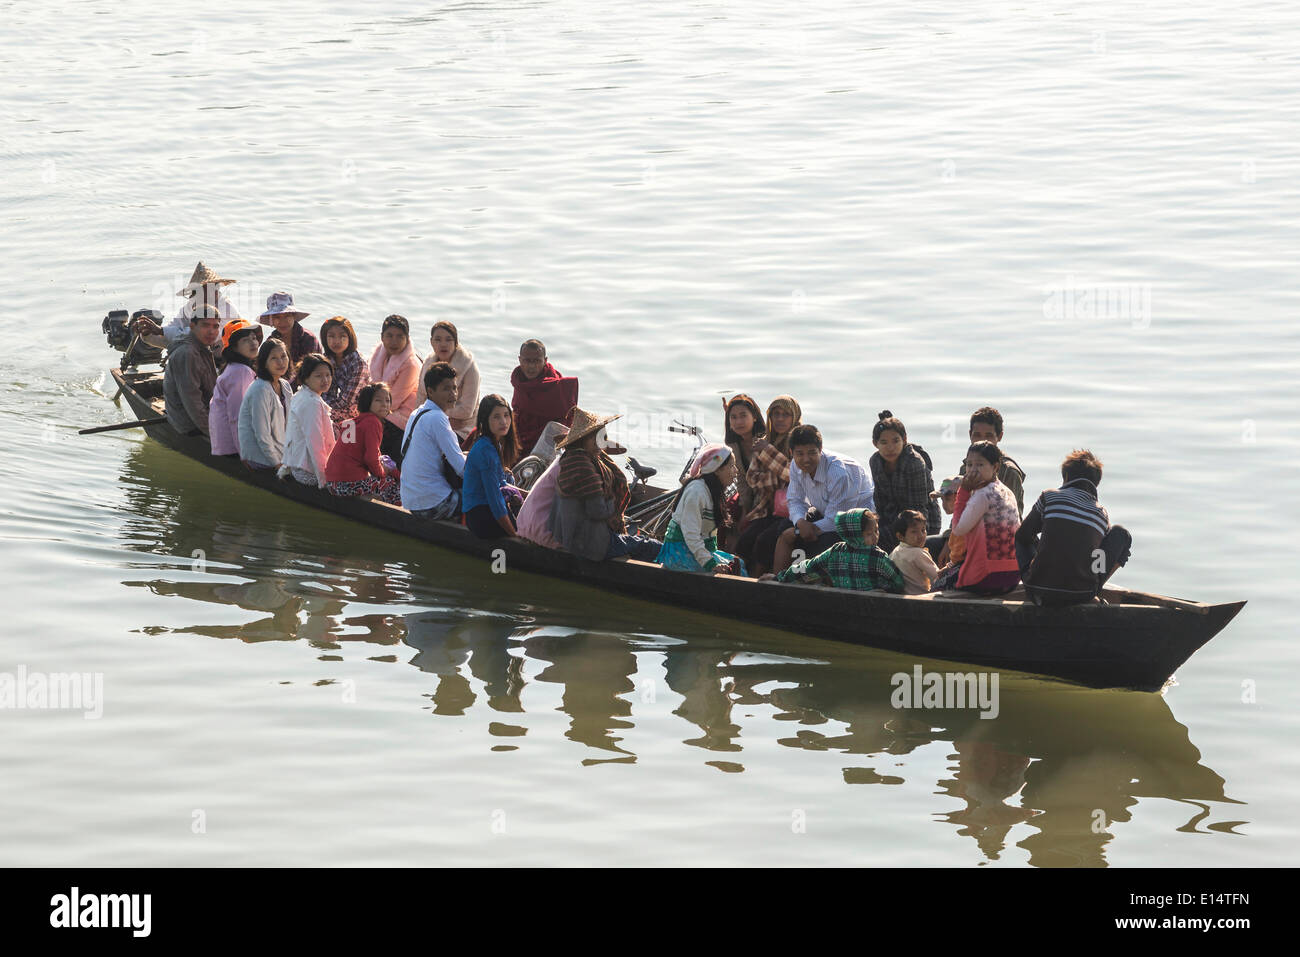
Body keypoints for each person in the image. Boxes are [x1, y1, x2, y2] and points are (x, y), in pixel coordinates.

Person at [1015, 449, 1132, 606]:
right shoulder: (1101, 514)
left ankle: (1043, 578)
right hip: (1082, 594)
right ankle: (1095, 586)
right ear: (1096, 483)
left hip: (1036, 587)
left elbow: (1023, 536)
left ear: (1066, 477)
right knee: (1121, 534)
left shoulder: (1049, 496)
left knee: (1022, 536)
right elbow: (1097, 553)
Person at [550, 408, 661, 561]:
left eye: (602, 438)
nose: (600, 445)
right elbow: (597, 512)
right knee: (652, 547)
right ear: (582, 440)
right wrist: (611, 503)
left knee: (639, 543)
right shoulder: (583, 466)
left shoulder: (570, 459)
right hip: (590, 544)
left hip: (573, 537)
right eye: (594, 439)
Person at [772, 425, 875, 575]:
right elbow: (795, 500)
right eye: (800, 453)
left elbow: (836, 521)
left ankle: (810, 583)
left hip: (855, 519)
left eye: (812, 453)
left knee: (823, 543)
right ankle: (776, 582)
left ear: (821, 450)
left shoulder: (837, 472)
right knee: (783, 529)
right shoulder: (795, 465)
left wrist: (799, 531)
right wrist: (800, 523)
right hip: (826, 511)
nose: (806, 459)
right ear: (791, 453)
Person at [734, 395, 802, 576]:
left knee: (764, 542)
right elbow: (753, 479)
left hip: (792, 510)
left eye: (785, 414)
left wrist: (768, 453)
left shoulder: (800, 441)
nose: (779, 419)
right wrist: (779, 478)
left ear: (794, 416)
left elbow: (794, 474)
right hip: (766, 508)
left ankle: (758, 580)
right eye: (775, 414)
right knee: (745, 540)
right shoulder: (764, 441)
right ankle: (737, 577)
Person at [655, 444, 746, 575]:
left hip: (693, 549)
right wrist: (711, 564)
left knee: (739, 565)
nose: (736, 470)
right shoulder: (697, 492)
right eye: (732, 466)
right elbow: (691, 535)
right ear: (717, 469)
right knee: (735, 572)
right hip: (679, 553)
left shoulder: (711, 491)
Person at [767, 508, 904, 593]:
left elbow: (805, 568)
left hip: (843, 602)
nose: (875, 537)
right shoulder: (878, 556)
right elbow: (897, 583)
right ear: (853, 534)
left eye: (876, 531)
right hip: (868, 605)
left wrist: (778, 577)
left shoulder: (836, 551)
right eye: (869, 534)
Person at [947, 441, 1021, 596]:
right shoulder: (1007, 492)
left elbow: (958, 529)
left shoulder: (982, 495)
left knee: (938, 584)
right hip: (1012, 576)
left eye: (980, 465)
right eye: (969, 465)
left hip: (984, 577)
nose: (973, 470)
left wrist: (964, 491)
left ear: (995, 467)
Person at [400, 362, 466, 520]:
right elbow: (462, 469)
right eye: (446, 389)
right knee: (486, 498)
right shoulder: (438, 418)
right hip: (433, 504)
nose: (453, 394)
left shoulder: (417, 413)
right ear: (430, 391)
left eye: (454, 388)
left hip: (410, 500)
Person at [869, 411, 942, 551]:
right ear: (875, 443)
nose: (890, 448)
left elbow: (918, 509)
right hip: (892, 518)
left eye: (896, 441)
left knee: (880, 540)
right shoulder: (875, 462)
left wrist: (888, 533)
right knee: (866, 536)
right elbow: (880, 503)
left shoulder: (914, 462)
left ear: (904, 439)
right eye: (884, 442)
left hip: (921, 523)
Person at [324, 382, 402, 505]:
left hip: (332, 483)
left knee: (383, 470)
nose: (384, 405)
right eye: (378, 400)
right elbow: (371, 459)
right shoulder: (373, 422)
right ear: (367, 402)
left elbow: (371, 454)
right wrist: (382, 473)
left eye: (387, 401)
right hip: (347, 485)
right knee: (388, 482)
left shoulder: (352, 421)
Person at [134, 261, 240, 348]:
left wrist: (160, 330)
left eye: (215, 288)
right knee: (150, 337)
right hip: (195, 347)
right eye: (206, 289)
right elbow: (175, 326)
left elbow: (206, 336)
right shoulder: (190, 307)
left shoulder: (226, 309)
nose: (214, 292)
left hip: (224, 353)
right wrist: (149, 331)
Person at [462, 395, 525, 539]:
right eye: (496, 417)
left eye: (506, 415)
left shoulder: (494, 444)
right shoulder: (485, 450)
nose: (504, 422)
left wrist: (528, 495)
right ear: (485, 421)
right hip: (481, 516)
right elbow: (495, 499)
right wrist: (514, 535)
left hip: (487, 509)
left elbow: (502, 483)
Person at [369, 314, 423, 465]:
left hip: (403, 414)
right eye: (389, 336)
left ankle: (388, 473)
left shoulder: (411, 364)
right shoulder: (378, 355)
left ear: (407, 338)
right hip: (381, 408)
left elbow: (393, 401)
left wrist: (368, 411)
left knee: (372, 428)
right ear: (382, 337)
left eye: (400, 336)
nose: (394, 341)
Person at [162, 304, 222, 437]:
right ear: (192, 326)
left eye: (215, 326)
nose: (211, 331)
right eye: (205, 325)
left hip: (205, 412)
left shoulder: (203, 346)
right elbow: (192, 402)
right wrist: (214, 433)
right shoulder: (187, 353)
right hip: (188, 424)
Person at [510, 339, 578, 455]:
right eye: (527, 360)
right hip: (520, 439)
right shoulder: (518, 380)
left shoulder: (557, 386)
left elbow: (568, 419)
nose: (531, 366)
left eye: (537, 361)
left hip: (547, 445)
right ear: (520, 360)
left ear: (545, 361)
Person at [237, 338, 295, 470]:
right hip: (260, 457)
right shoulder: (260, 389)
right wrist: (277, 463)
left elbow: (290, 424)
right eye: (274, 358)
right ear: (264, 363)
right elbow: (261, 434)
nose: (280, 362)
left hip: (280, 451)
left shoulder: (284, 385)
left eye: (283, 356)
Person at [279, 354, 337, 487]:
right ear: (306, 378)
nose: (325, 380)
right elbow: (314, 442)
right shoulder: (312, 402)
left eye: (328, 375)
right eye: (318, 376)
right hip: (308, 472)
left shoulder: (302, 395)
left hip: (299, 466)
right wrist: (323, 479)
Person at [958, 407, 1026, 515]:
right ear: (970, 434)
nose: (982, 441)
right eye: (977, 435)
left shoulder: (1009, 472)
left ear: (999, 436)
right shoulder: (966, 467)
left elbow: (1013, 518)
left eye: (988, 436)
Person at [209, 320, 263, 456]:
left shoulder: (234, 367)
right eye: (245, 340)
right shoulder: (241, 371)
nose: (253, 343)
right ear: (233, 347)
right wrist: (245, 453)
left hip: (225, 443)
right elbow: (237, 416)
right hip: (233, 447)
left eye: (254, 338)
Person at [419, 321, 480, 440]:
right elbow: (420, 398)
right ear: (431, 342)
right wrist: (430, 417)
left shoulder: (470, 369)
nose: (443, 344)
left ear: (456, 343)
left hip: (461, 428)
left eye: (448, 340)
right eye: (438, 339)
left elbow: (466, 411)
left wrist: (437, 415)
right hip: (431, 421)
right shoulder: (428, 364)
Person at [719, 394, 766, 546]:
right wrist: (745, 508)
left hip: (767, 497)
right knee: (723, 514)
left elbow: (766, 485)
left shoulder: (765, 442)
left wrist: (749, 513)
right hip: (747, 495)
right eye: (733, 417)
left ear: (755, 417)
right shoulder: (733, 445)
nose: (738, 422)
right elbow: (741, 480)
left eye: (743, 415)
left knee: (749, 527)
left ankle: (739, 559)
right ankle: (722, 555)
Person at [320, 316, 370, 429]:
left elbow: (347, 400)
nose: (336, 341)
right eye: (331, 336)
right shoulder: (327, 359)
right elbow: (325, 392)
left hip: (357, 410)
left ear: (350, 338)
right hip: (334, 407)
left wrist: (323, 409)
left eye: (342, 336)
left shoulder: (358, 363)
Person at [259, 292, 321, 381]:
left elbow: (311, 373)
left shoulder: (308, 339)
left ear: (294, 316)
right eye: (277, 317)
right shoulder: (271, 341)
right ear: (271, 319)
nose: (282, 322)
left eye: (287, 316)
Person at [890, 510, 942, 595]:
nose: (921, 535)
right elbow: (937, 577)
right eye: (914, 532)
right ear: (900, 536)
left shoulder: (894, 552)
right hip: (921, 598)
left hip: (901, 598)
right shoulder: (918, 553)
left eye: (923, 530)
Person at [926, 475, 960, 562]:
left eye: (948, 499)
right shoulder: (957, 513)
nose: (943, 505)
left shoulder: (968, 514)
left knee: (928, 544)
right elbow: (952, 530)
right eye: (942, 500)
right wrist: (947, 544)